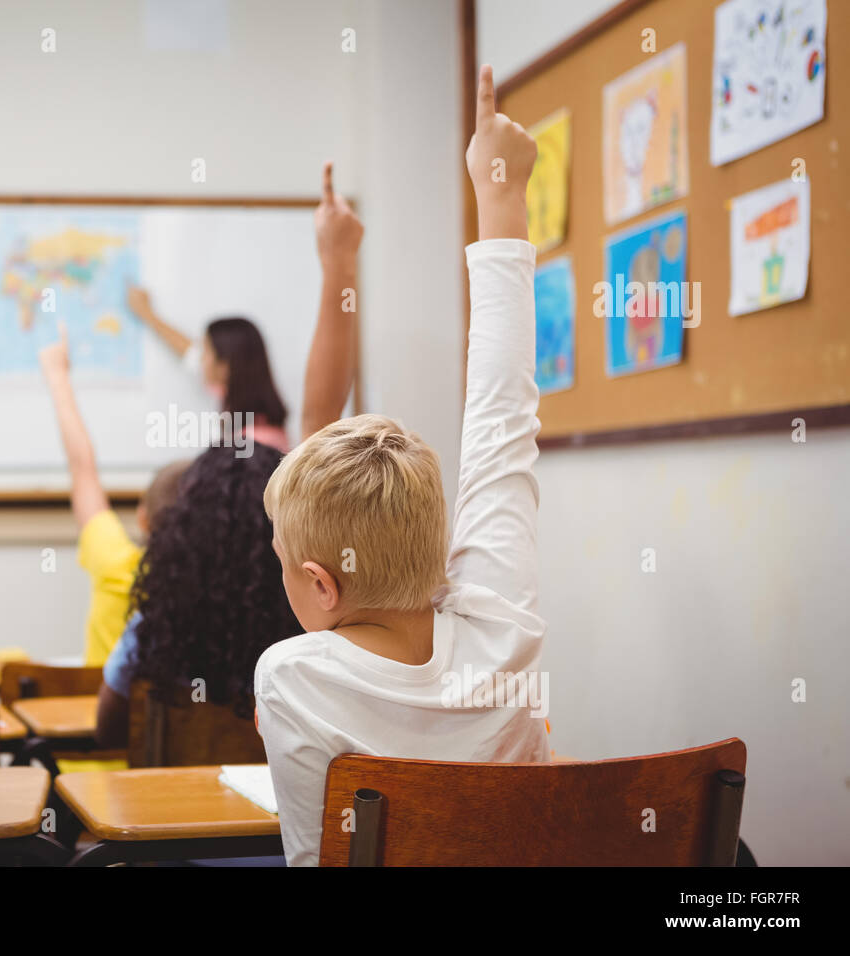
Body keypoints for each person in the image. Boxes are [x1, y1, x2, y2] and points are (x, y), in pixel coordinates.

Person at [254, 67, 548, 866]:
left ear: (321, 584)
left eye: (282, 562)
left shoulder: (290, 676)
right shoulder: (498, 622)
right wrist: (499, 197)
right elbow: (501, 417)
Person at [94, 442, 301, 748]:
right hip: (276, 797)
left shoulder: (155, 628)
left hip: (168, 796)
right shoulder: (305, 639)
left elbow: (108, 733)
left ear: (186, 526)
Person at [38, 323, 187, 667]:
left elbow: (82, 469)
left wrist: (58, 377)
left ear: (143, 517)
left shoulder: (116, 566)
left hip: (104, 719)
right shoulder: (218, 593)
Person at [127, 292, 291, 452]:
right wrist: (148, 314)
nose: (201, 360)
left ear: (224, 366)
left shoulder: (255, 443)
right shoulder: (232, 400)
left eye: (206, 352)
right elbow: (188, 351)